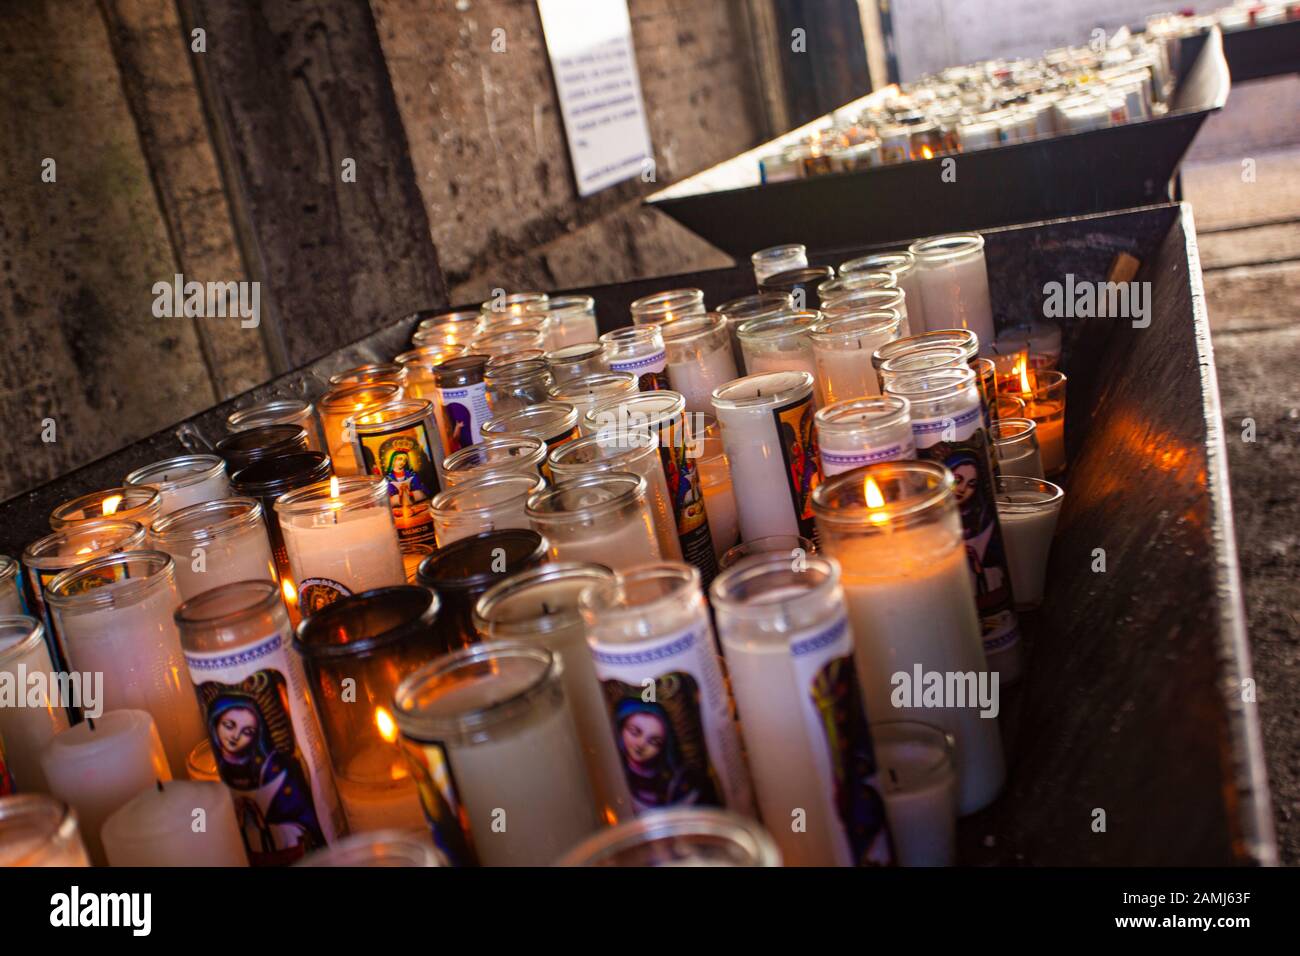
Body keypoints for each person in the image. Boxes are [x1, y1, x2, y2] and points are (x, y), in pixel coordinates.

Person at [207, 691, 325, 865]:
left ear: (256, 736)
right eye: (229, 725)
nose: (235, 736)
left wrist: (273, 829)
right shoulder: (221, 769)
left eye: (247, 731)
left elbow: (305, 819)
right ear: (215, 723)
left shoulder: (275, 769)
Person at [613, 698, 719, 813]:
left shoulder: (680, 784)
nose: (641, 744)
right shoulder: (610, 770)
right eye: (634, 732)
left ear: (664, 747)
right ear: (621, 728)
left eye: (653, 742)